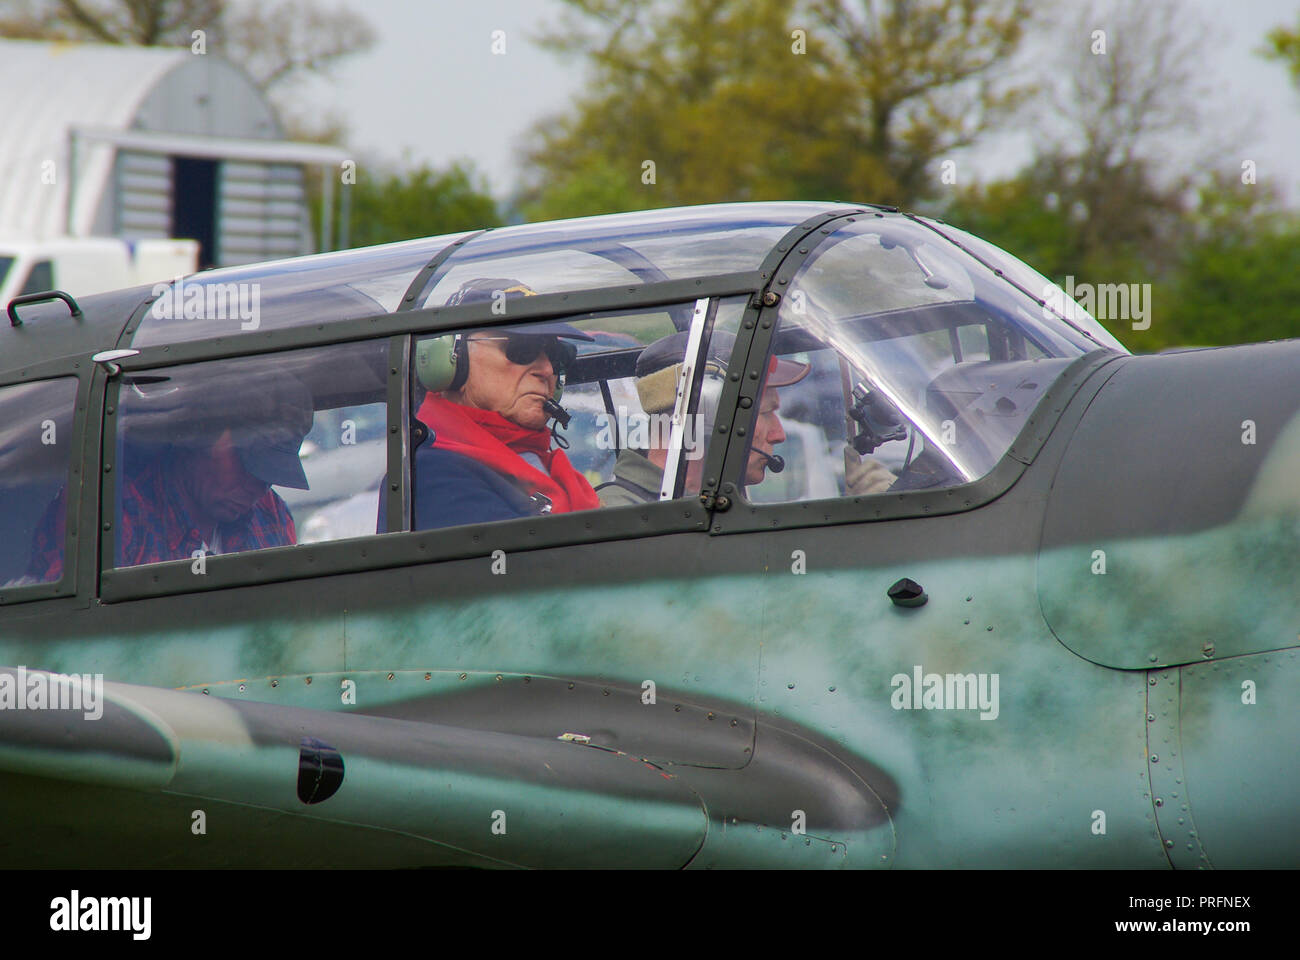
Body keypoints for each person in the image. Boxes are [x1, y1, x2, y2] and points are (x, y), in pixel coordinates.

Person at [26, 376, 313, 578]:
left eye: (269, 474)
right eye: (248, 464)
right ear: (201, 435)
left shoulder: (271, 515)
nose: (258, 488)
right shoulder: (110, 516)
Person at [412, 278, 600, 529]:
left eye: (556, 356)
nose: (546, 369)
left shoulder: (543, 464)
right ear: (453, 359)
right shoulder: (430, 475)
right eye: (522, 348)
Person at [598, 331, 810, 506]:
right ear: (708, 411)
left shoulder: (718, 503)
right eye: (764, 413)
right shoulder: (617, 515)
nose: (778, 435)